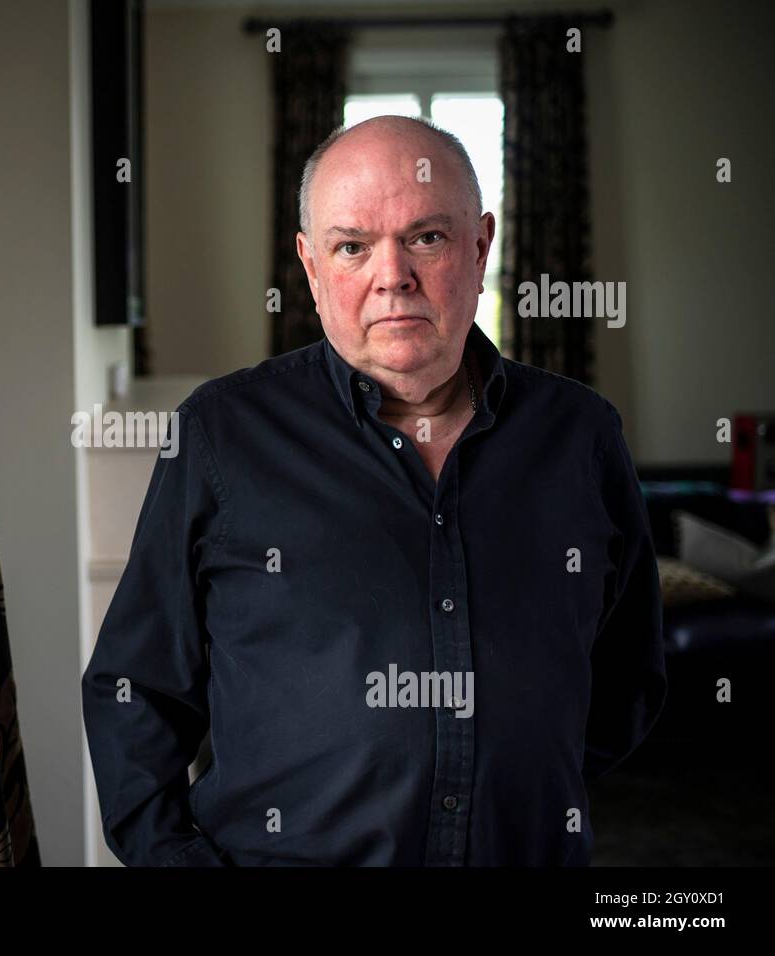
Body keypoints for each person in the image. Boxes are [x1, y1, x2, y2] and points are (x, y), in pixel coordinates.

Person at [80, 115, 666, 866]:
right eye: (352, 246)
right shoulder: (219, 435)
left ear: (482, 245)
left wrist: (514, 781)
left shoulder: (582, 436)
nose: (393, 276)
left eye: (426, 237)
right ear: (311, 266)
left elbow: (628, 679)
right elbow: (135, 688)